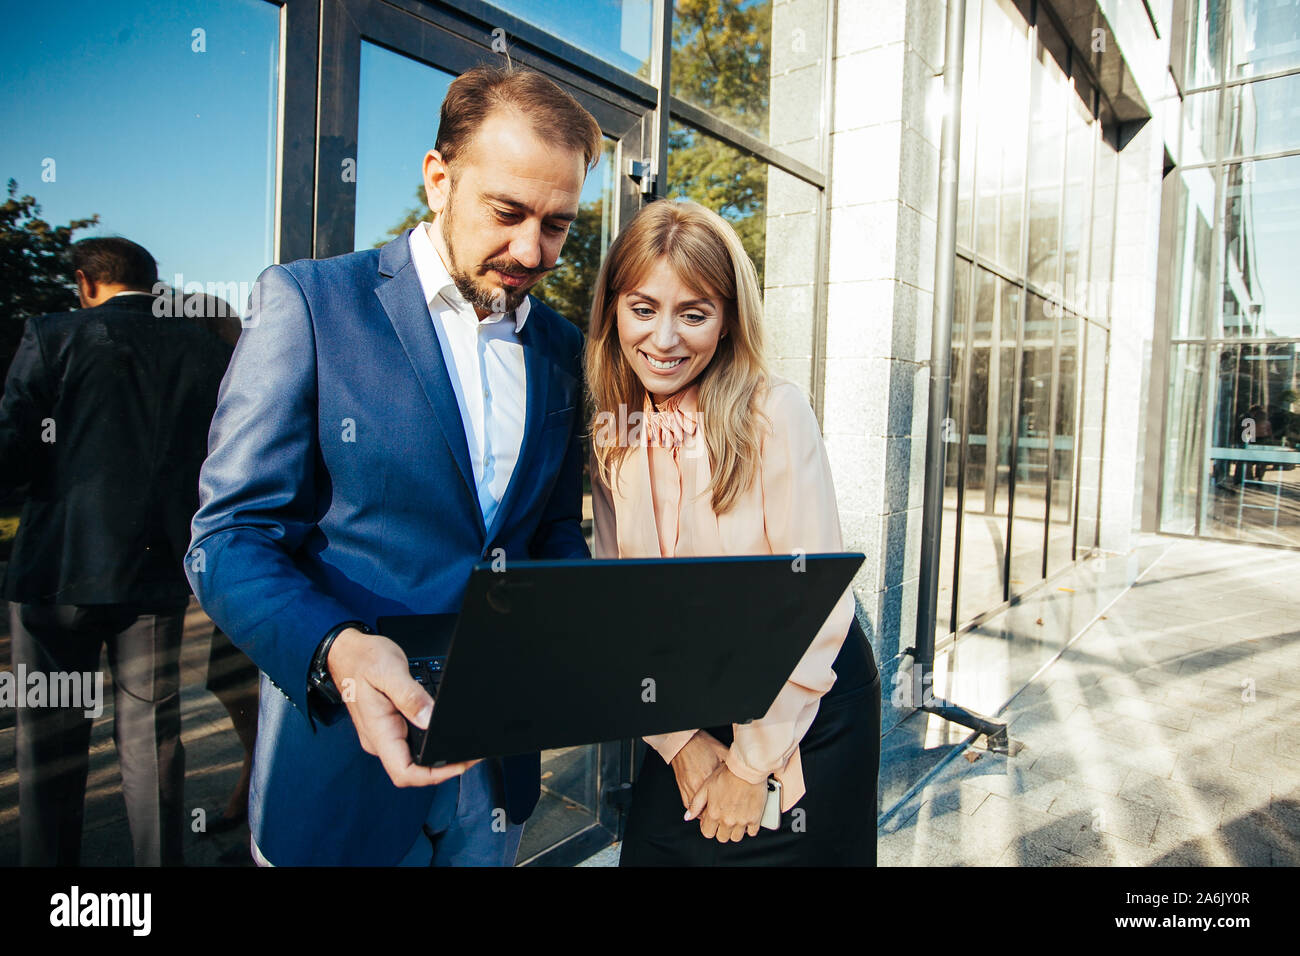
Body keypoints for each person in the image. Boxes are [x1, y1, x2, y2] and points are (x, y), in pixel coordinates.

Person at [186, 65, 600, 866]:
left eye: (557, 225)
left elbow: (550, 530)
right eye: (508, 212)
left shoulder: (562, 351)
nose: (529, 251)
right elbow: (228, 538)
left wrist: (569, 628)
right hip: (341, 773)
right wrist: (335, 648)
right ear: (437, 179)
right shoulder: (309, 304)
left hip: (496, 781)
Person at [586, 199, 882, 865]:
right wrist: (679, 740)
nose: (664, 339)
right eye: (642, 309)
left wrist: (751, 768)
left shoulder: (774, 412)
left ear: (725, 323)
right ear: (613, 312)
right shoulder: (614, 430)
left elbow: (817, 607)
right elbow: (619, 609)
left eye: (693, 313)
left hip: (803, 704)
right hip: (684, 707)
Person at [0, 236, 233, 866]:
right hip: (154, 571)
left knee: (48, 744)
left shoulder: (50, 335)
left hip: (56, 570)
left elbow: (12, 454)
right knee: (152, 738)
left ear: (84, 282)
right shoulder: (203, 349)